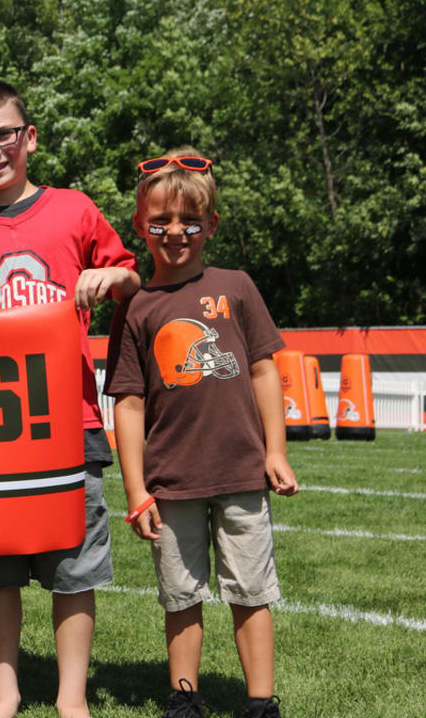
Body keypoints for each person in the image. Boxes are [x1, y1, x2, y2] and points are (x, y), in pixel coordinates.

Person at [0, 80, 139, 718]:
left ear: (28, 137)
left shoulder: (75, 209)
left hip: (68, 420)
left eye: (3, 134)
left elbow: (132, 275)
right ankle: (5, 691)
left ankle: (71, 695)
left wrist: (113, 274)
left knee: (73, 566)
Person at [105, 147, 298, 718]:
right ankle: (183, 699)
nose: (175, 231)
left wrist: (277, 450)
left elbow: (264, 369)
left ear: (211, 224)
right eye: (160, 221)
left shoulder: (237, 286)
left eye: (190, 220)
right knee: (181, 596)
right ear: (141, 226)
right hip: (170, 481)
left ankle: (260, 702)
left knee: (251, 592)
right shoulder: (136, 305)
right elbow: (130, 402)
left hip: (241, 472)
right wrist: (136, 490)